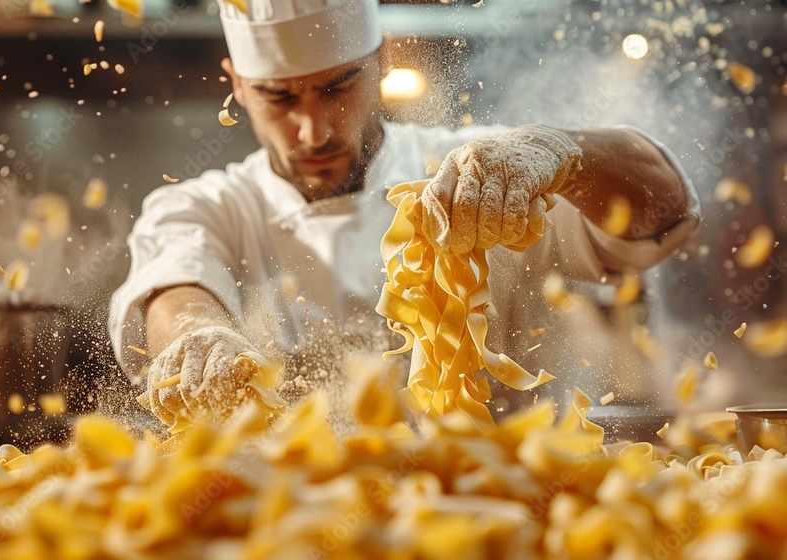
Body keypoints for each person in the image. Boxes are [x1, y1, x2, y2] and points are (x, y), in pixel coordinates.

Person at [109, 0, 700, 429]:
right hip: (285, 526)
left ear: (380, 61)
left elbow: (664, 211)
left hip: (501, 517)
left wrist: (562, 155)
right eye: (280, 97)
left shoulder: (479, 171)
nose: (314, 130)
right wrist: (200, 336)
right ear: (238, 85)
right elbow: (175, 286)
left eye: (338, 87)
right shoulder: (205, 206)